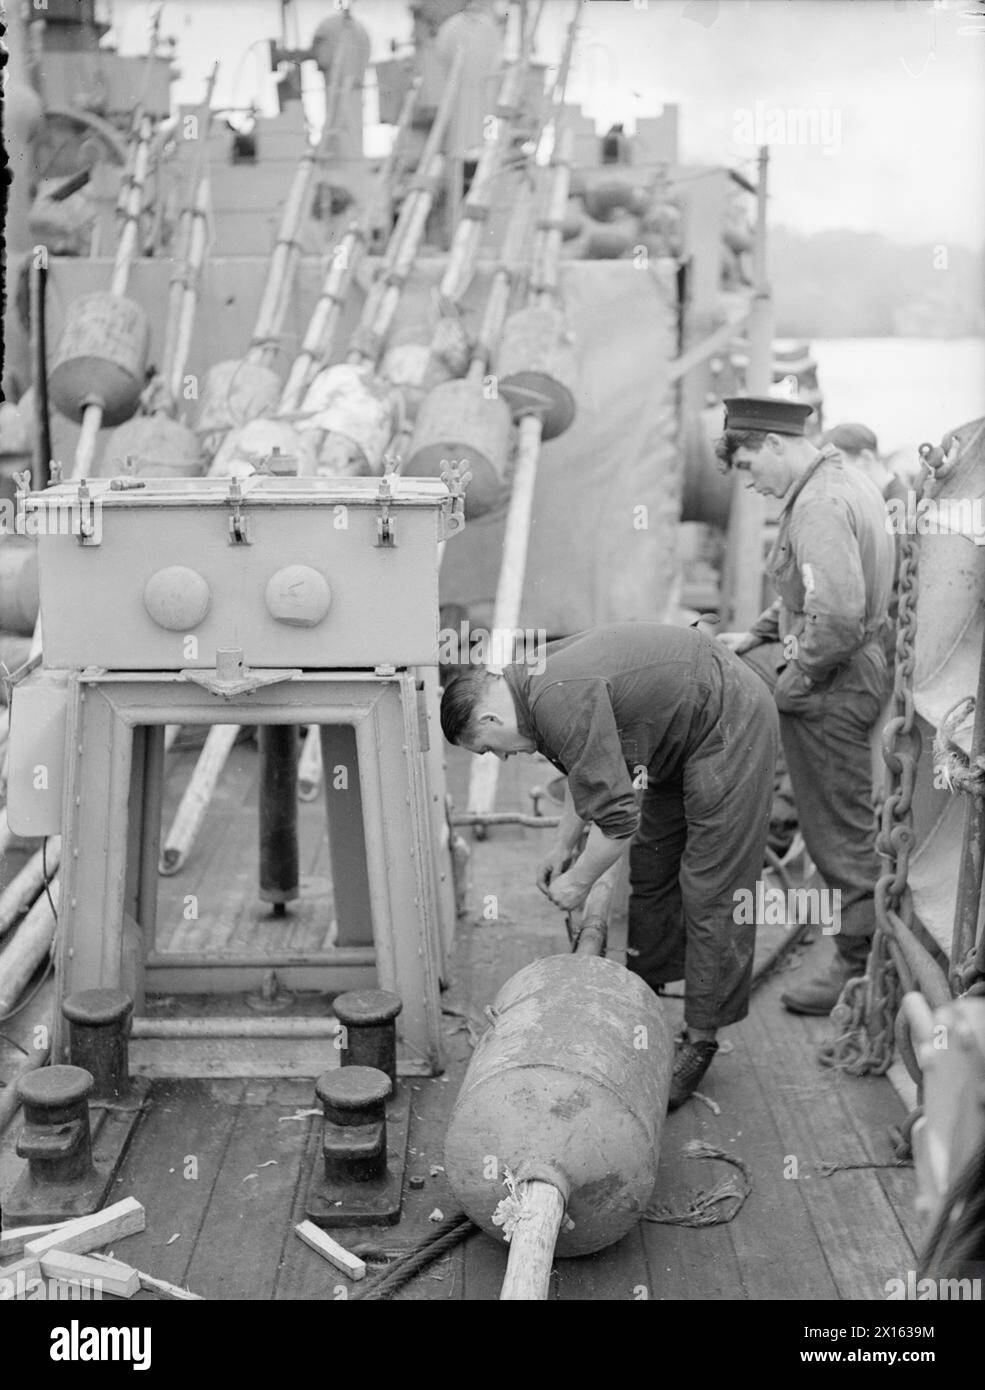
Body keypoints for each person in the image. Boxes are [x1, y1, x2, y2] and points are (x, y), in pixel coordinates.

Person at [440, 622, 778, 1109]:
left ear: (491, 717)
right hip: (673, 734)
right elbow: (589, 771)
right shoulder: (528, 686)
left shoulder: (556, 697)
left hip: (729, 719)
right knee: (653, 861)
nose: (501, 757)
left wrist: (579, 881)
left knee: (711, 885)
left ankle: (702, 1037)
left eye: (489, 749)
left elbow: (618, 822)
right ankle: (648, 993)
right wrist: (563, 846)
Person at [716, 397, 895, 1016]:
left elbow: (839, 615)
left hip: (834, 682)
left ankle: (859, 977)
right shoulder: (840, 480)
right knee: (840, 828)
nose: (748, 481)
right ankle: (860, 962)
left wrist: (797, 678)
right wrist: (761, 634)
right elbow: (807, 590)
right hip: (852, 669)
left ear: (771, 444)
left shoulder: (817, 506)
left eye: (746, 464)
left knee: (840, 838)